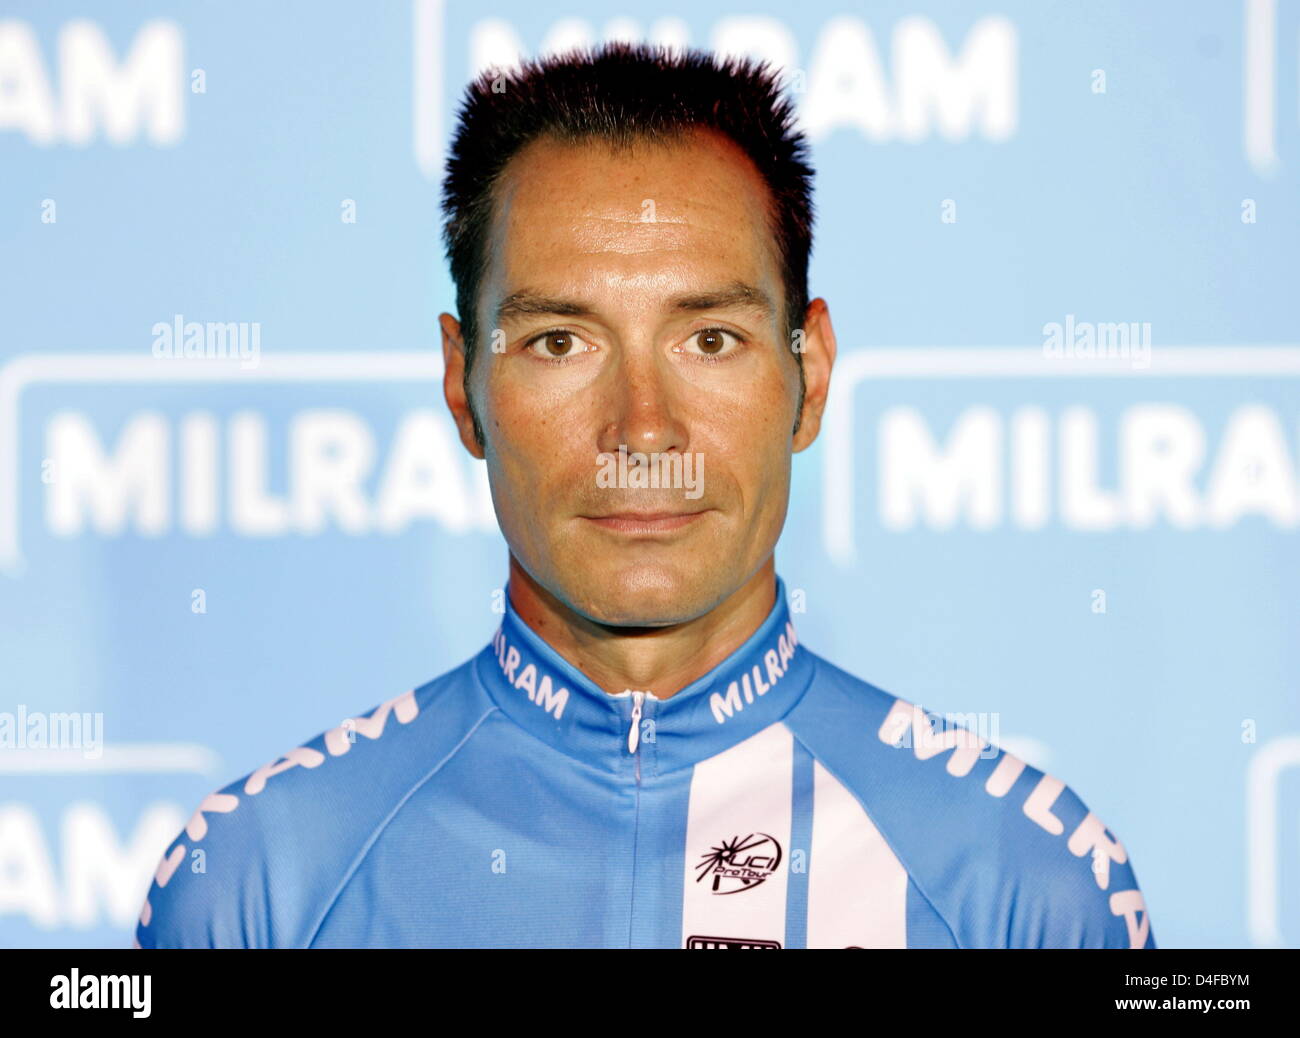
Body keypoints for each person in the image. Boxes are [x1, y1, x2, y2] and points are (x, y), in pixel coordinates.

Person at [134, 41, 1154, 949]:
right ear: (463, 387)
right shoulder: (265, 883)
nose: (643, 428)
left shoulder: (1019, 884)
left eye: (710, 340)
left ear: (812, 376)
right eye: (559, 342)